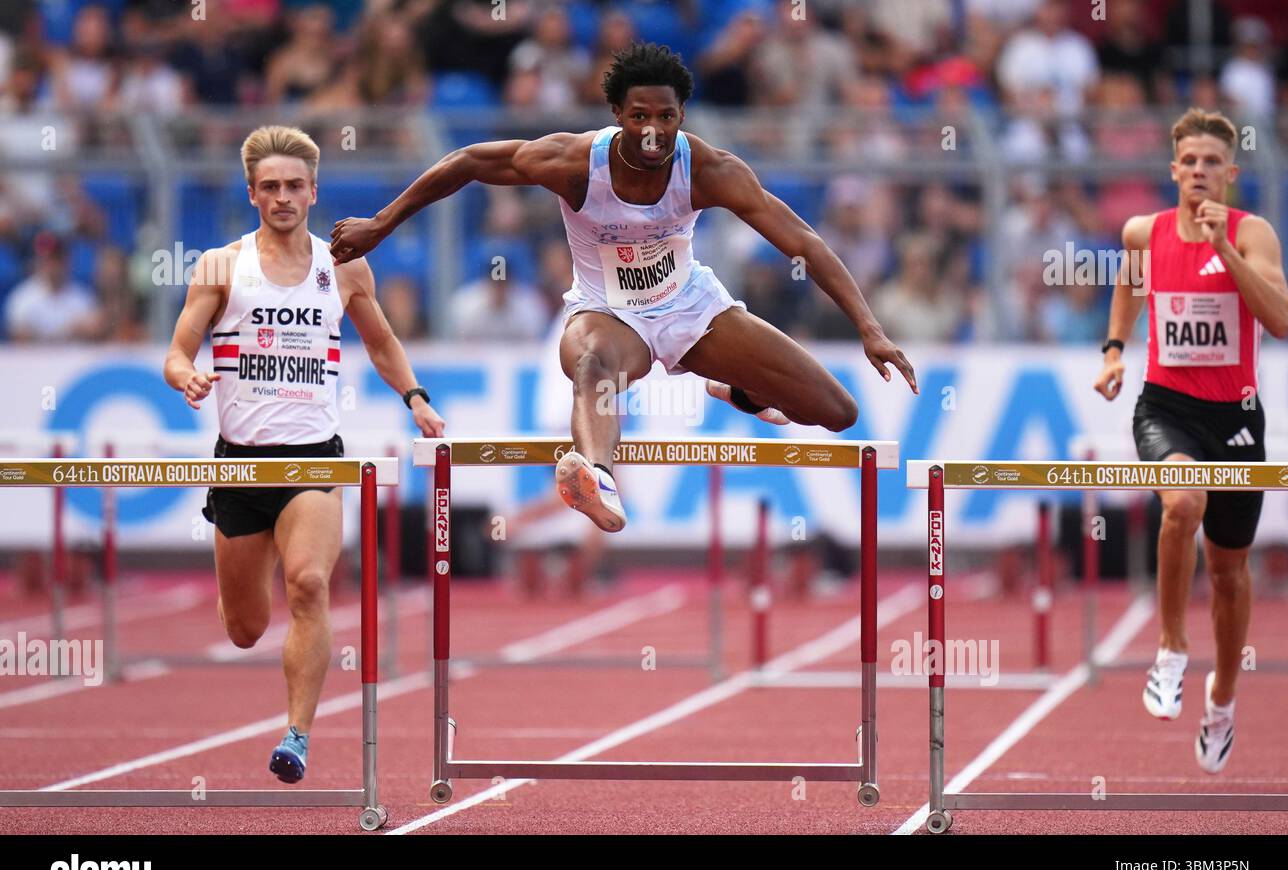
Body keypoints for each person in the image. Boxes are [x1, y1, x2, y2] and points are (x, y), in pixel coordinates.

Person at [331, 42, 916, 533]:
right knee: (593, 365)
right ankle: (596, 475)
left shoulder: (710, 169)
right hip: (609, 312)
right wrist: (381, 223)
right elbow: (466, 161)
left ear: (681, 116)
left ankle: (735, 389)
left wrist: (871, 329)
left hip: (691, 308)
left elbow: (805, 243)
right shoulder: (573, 162)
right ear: (617, 113)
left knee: (835, 412)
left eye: (665, 117)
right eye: (639, 116)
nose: (653, 131)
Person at [163, 125, 444, 783]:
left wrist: (416, 398)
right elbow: (177, 350)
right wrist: (188, 376)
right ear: (253, 194)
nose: (284, 197)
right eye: (271, 187)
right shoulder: (219, 265)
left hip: (315, 460)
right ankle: (240, 599)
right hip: (240, 462)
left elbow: (379, 343)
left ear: (314, 191)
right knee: (244, 629)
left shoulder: (343, 265)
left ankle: (297, 735)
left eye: (295, 186)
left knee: (310, 585)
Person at [1094, 108, 1288, 773]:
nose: (1201, 171)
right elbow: (1128, 280)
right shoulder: (1143, 231)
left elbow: (1282, 320)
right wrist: (1115, 348)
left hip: (1237, 420)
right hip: (1166, 408)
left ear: (1230, 174)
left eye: (1214, 162)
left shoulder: (1252, 232)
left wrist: (1225, 252)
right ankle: (1170, 651)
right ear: (1174, 170)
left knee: (1231, 574)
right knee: (1182, 504)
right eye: (1191, 161)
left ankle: (1222, 701)